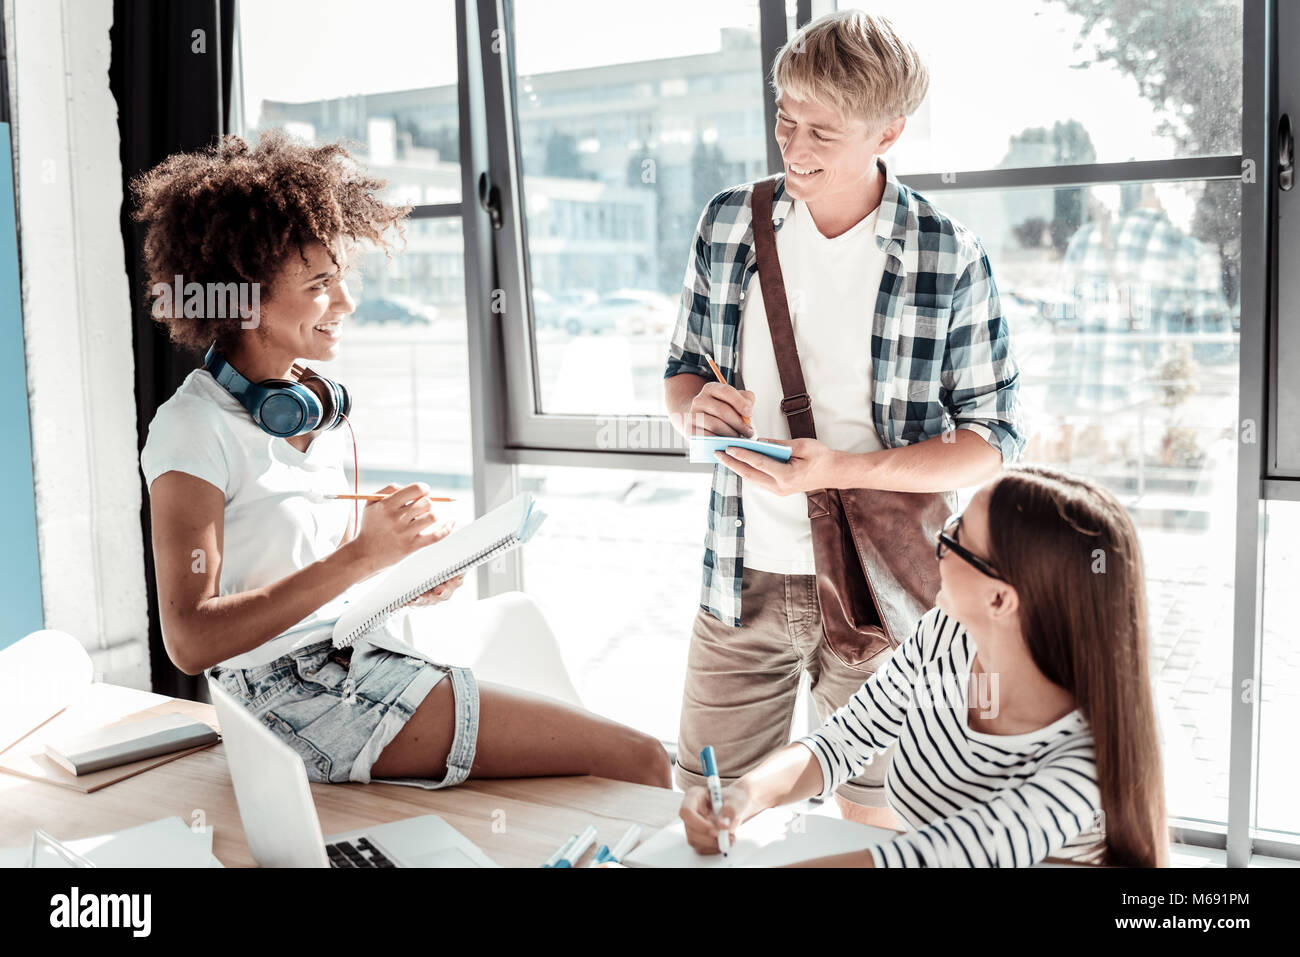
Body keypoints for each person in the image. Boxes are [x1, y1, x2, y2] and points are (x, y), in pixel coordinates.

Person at [135, 130, 671, 793]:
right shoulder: (191, 429)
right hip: (288, 696)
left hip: (350, 658)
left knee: (614, 758)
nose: (348, 305)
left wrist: (397, 571)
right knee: (642, 759)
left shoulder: (309, 408)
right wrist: (358, 558)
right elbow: (189, 638)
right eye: (320, 284)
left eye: (343, 279)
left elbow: (306, 585)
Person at [663, 10, 1024, 826]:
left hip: (889, 599)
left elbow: (992, 442)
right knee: (704, 812)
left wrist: (838, 471)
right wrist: (696, 409)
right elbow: (682, 371)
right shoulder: (729, 224)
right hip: (739, 584)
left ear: (889, 131)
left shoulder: (947, 253)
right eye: (785, 118)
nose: (794, 147)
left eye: (823, 129)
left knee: (880, 823)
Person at [679, 465, 1169, 867]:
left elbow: (926, 860)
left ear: (1000, 599)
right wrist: (745, 798)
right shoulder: (945, 636)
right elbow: (843, 741)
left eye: (955, 539)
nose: (937, 539)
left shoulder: (1082, 771)